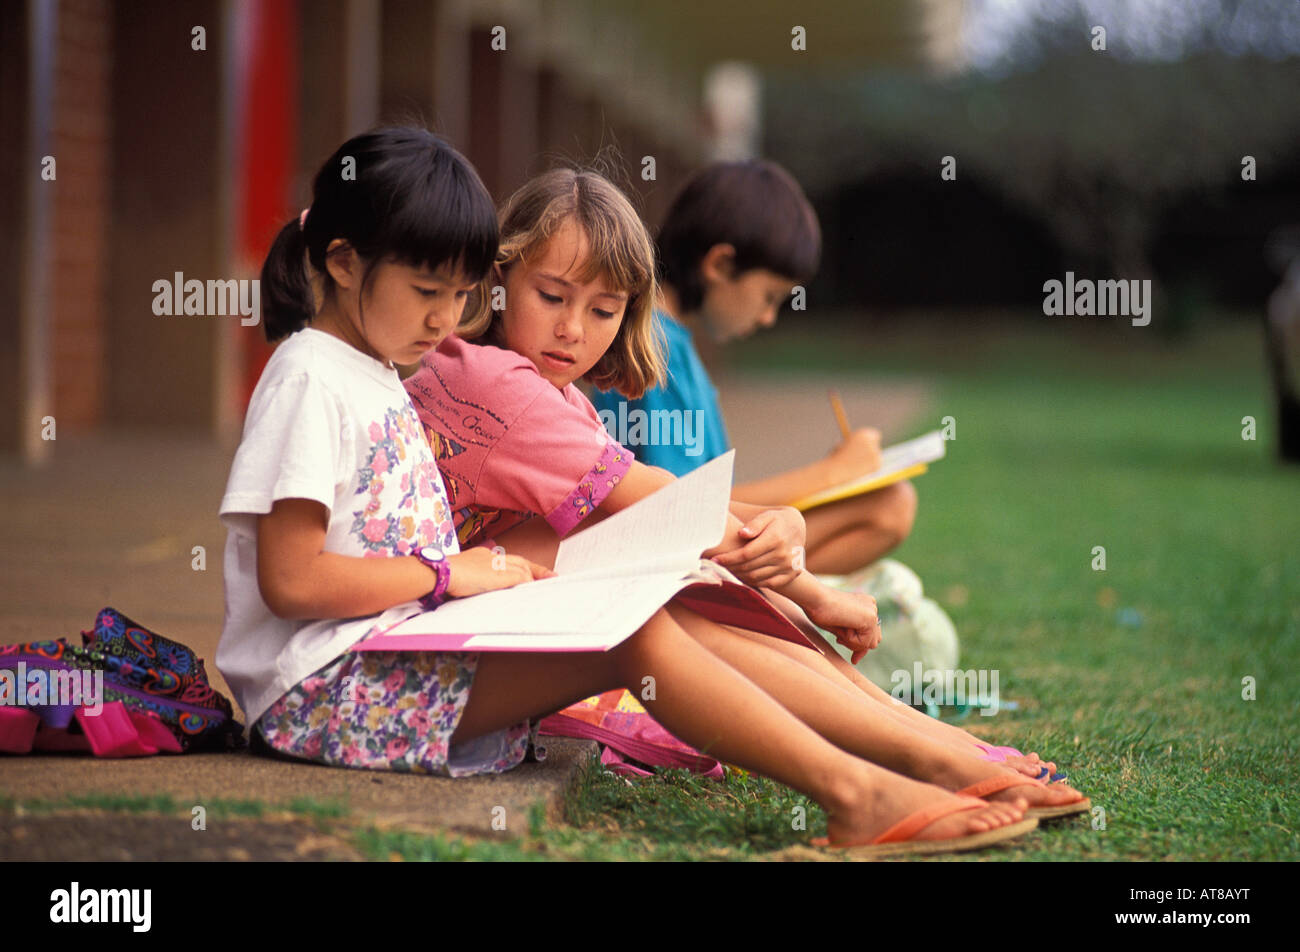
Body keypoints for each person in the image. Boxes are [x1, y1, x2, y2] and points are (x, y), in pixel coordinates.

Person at [215, 126, 1045, 853]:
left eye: (458, 296)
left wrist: (798, 585)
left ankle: (928, 766)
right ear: (341, 261)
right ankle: (867, 792)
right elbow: (290, 583)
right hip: (321, 692)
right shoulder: (312, 380)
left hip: (388, 658)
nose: (444, 321)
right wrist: (448, 575)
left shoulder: (379, 369)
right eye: (428, 294)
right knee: (634, 629)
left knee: (652, 600)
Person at [404, 166, 1088, 827]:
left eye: (603, 309)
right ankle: (908, 764)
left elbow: (669, 512)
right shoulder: (495, 385)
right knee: (669, 585)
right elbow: (664, 506)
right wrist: (814, 592)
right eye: (552, 297)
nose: (573, 329)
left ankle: (933, 754)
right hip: (422, 669)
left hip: (463, 647)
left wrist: (790, 543)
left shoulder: (557, 394)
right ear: (498, 279)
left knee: (692, 583)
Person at [588, 159, 915, 576]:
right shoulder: (652, 346)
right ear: (721, 265)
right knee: (889, 506)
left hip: (696, 537)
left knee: (892, 502)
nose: (767, 319)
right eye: (770, 297)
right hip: (670, 556)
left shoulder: (671, 341)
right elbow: (685, 507)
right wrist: (833, 473)